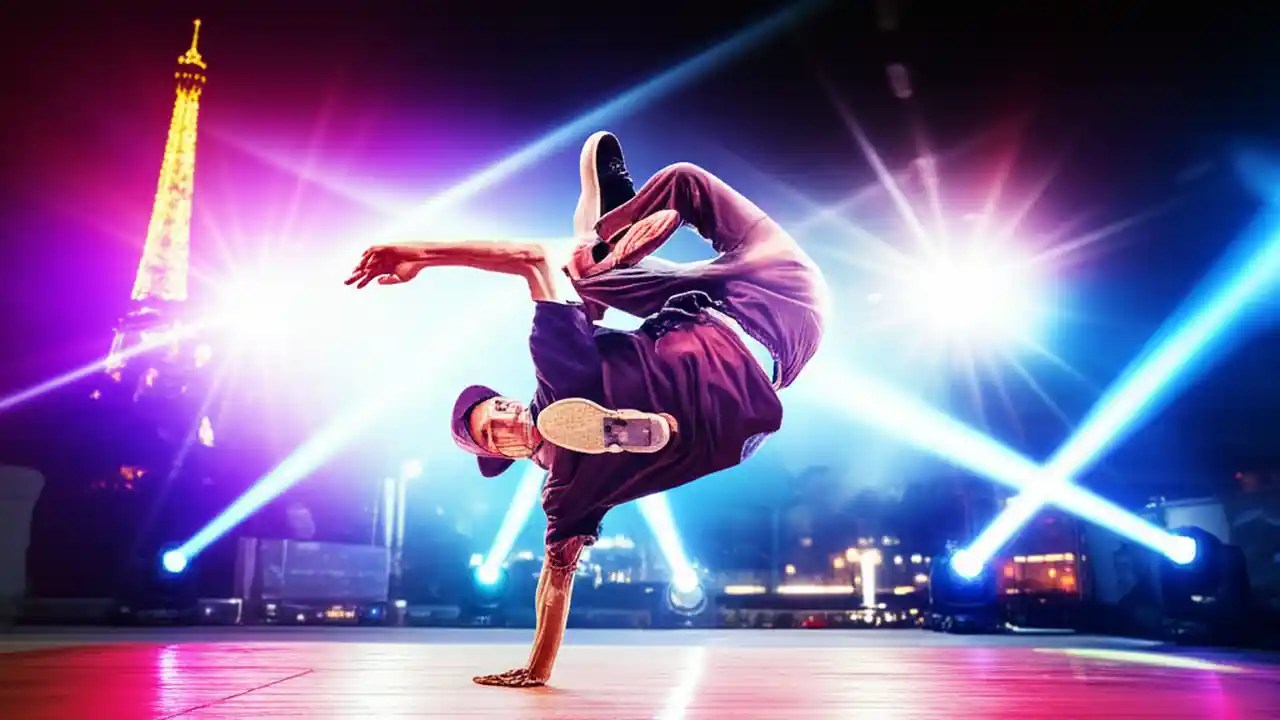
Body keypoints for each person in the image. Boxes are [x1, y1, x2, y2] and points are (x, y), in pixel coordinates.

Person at [345, 131, 827, 686]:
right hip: (765, 335)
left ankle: (608, 243)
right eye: (494, 434)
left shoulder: (557, 399)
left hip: (755, 318)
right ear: (503, 456)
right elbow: (556, 579)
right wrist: (421, 253)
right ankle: (607, 248)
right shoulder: (562, 492)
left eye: (498, 409)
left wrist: (538, 667)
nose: (505, 421)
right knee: (599, 257)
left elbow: (533, 262)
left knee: (662, 199)